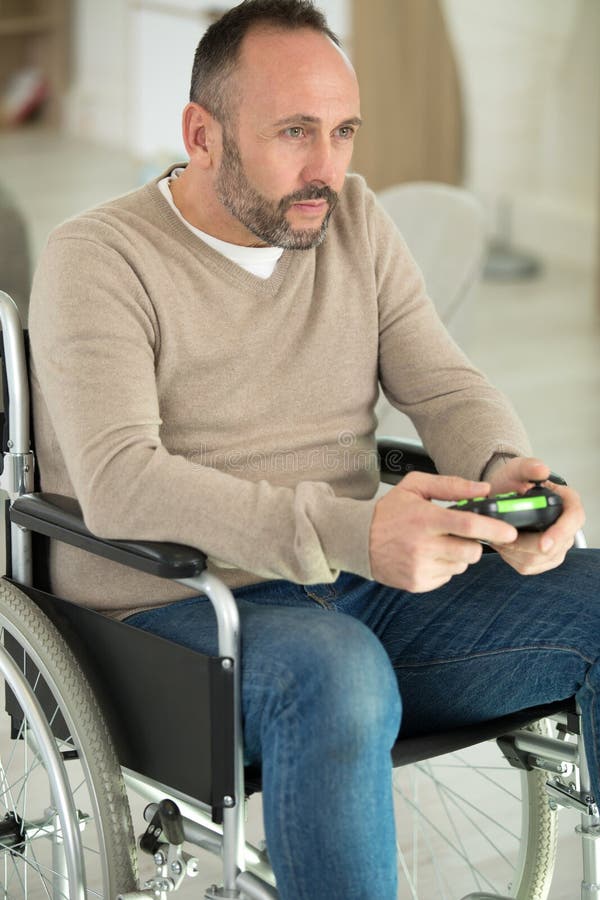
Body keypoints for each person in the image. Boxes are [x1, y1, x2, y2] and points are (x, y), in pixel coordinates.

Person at [29, 1, 599, 897]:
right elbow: (121, 484)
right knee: (336, 674)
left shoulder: (353, 218)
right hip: (176, 610)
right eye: (295, 132)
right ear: (202, 133)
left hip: (353, 587)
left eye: (343, 133)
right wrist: (352, 531)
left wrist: (503, 475)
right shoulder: (98, 258)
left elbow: (444, 386)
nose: (325, 169)